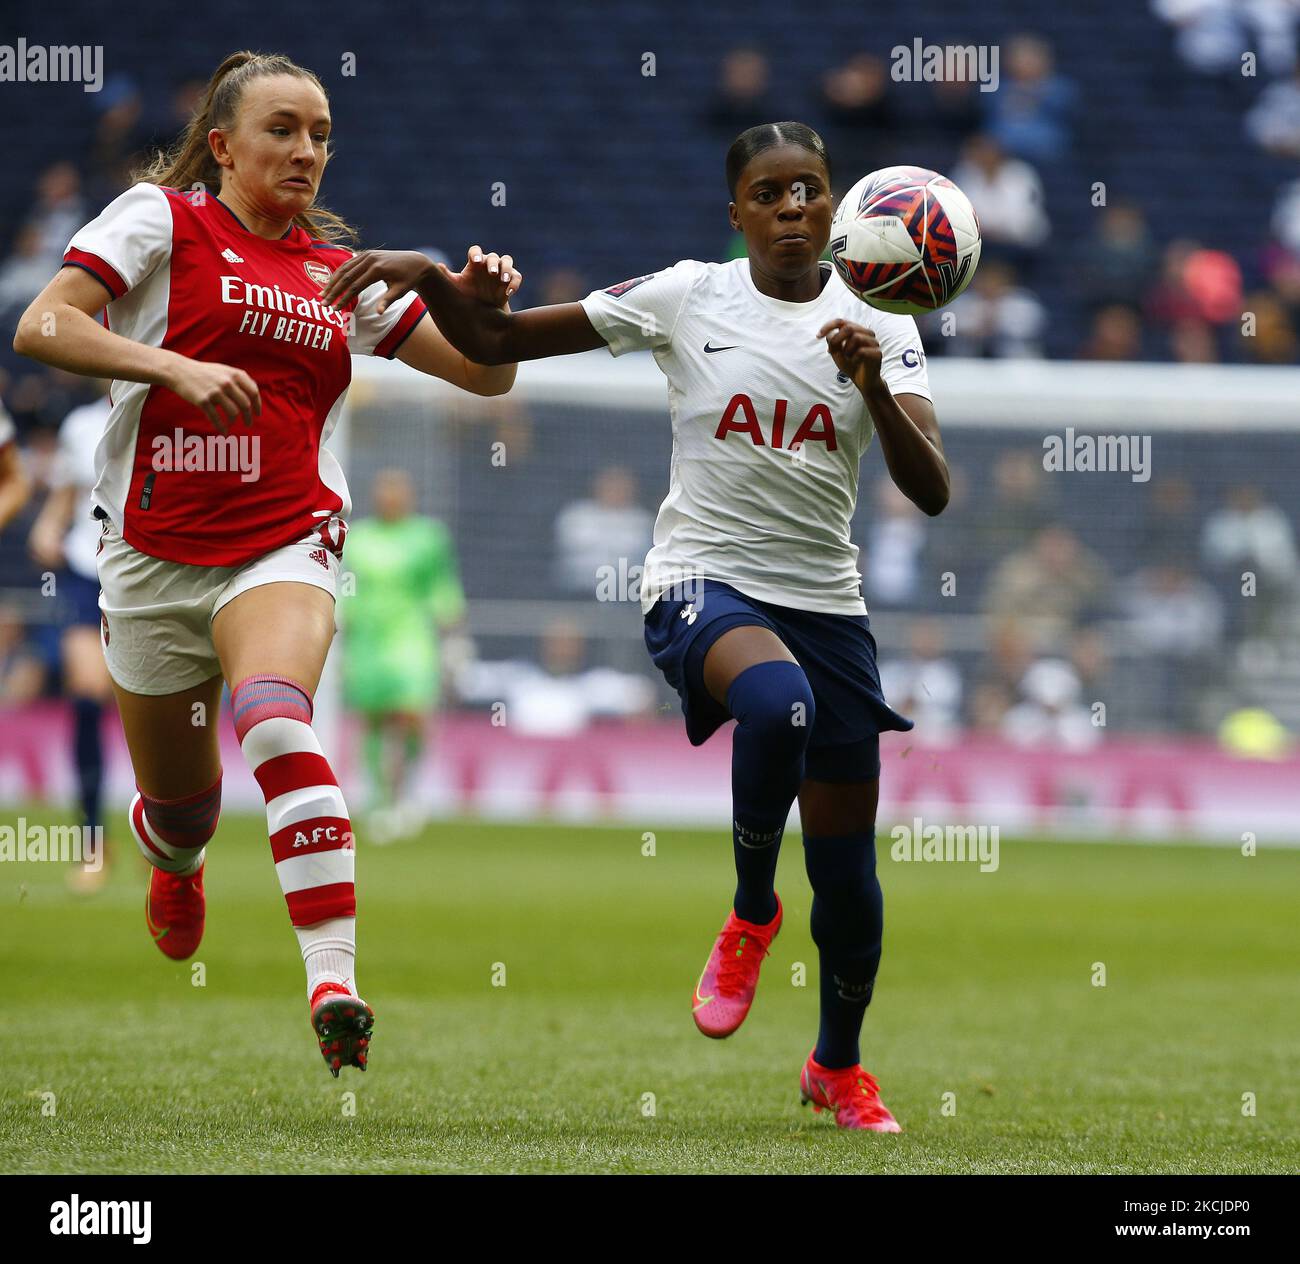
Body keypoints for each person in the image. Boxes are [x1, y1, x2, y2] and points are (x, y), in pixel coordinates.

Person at [323, 121, 948, 1130]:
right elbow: (497, 342)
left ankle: (837, 1066)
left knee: (850, 877)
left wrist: (871, 378)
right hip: (702, 584)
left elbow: (932, 491)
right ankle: (750, 911)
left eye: (810, 191)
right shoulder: (687, 294)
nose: (793, 207)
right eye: (769, 191)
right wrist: (437, 281)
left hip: (827, 603)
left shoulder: (880, 323)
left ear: (837, 208)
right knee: (776, 706)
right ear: (734, 211)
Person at [12, 50, 521, 1076]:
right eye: (282, 129)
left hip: (286, 539)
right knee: (182, 807)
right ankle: (178, 856)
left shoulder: (342, 275)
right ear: (223, 144)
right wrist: (172, 365)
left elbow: (486, 377)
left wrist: (480, 305)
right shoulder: (159, 220)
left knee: (277, 712)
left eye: (322, 134)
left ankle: (332, 979)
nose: (306, 150)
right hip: (151, 560)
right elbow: (43, 323)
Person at [341, 468, 466, 842]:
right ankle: (379, 802)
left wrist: (453, 631)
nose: (389, 497)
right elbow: (347, 586)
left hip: (411, 638)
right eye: (384, 490)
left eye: (396, 490)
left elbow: (442, 586)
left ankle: (407, 791)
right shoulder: (359, 538)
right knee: (375, 720)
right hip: (368, 639)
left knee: (411, 715)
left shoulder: (428, 538)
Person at [27, 387, 116, 891]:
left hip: (152, 573)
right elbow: (65, 498)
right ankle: (92, 841)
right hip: (87, 573)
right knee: (86, 696)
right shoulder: (81, 425)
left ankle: (169, 837)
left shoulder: (173, 412)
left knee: (160, 705)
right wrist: (47, 527)